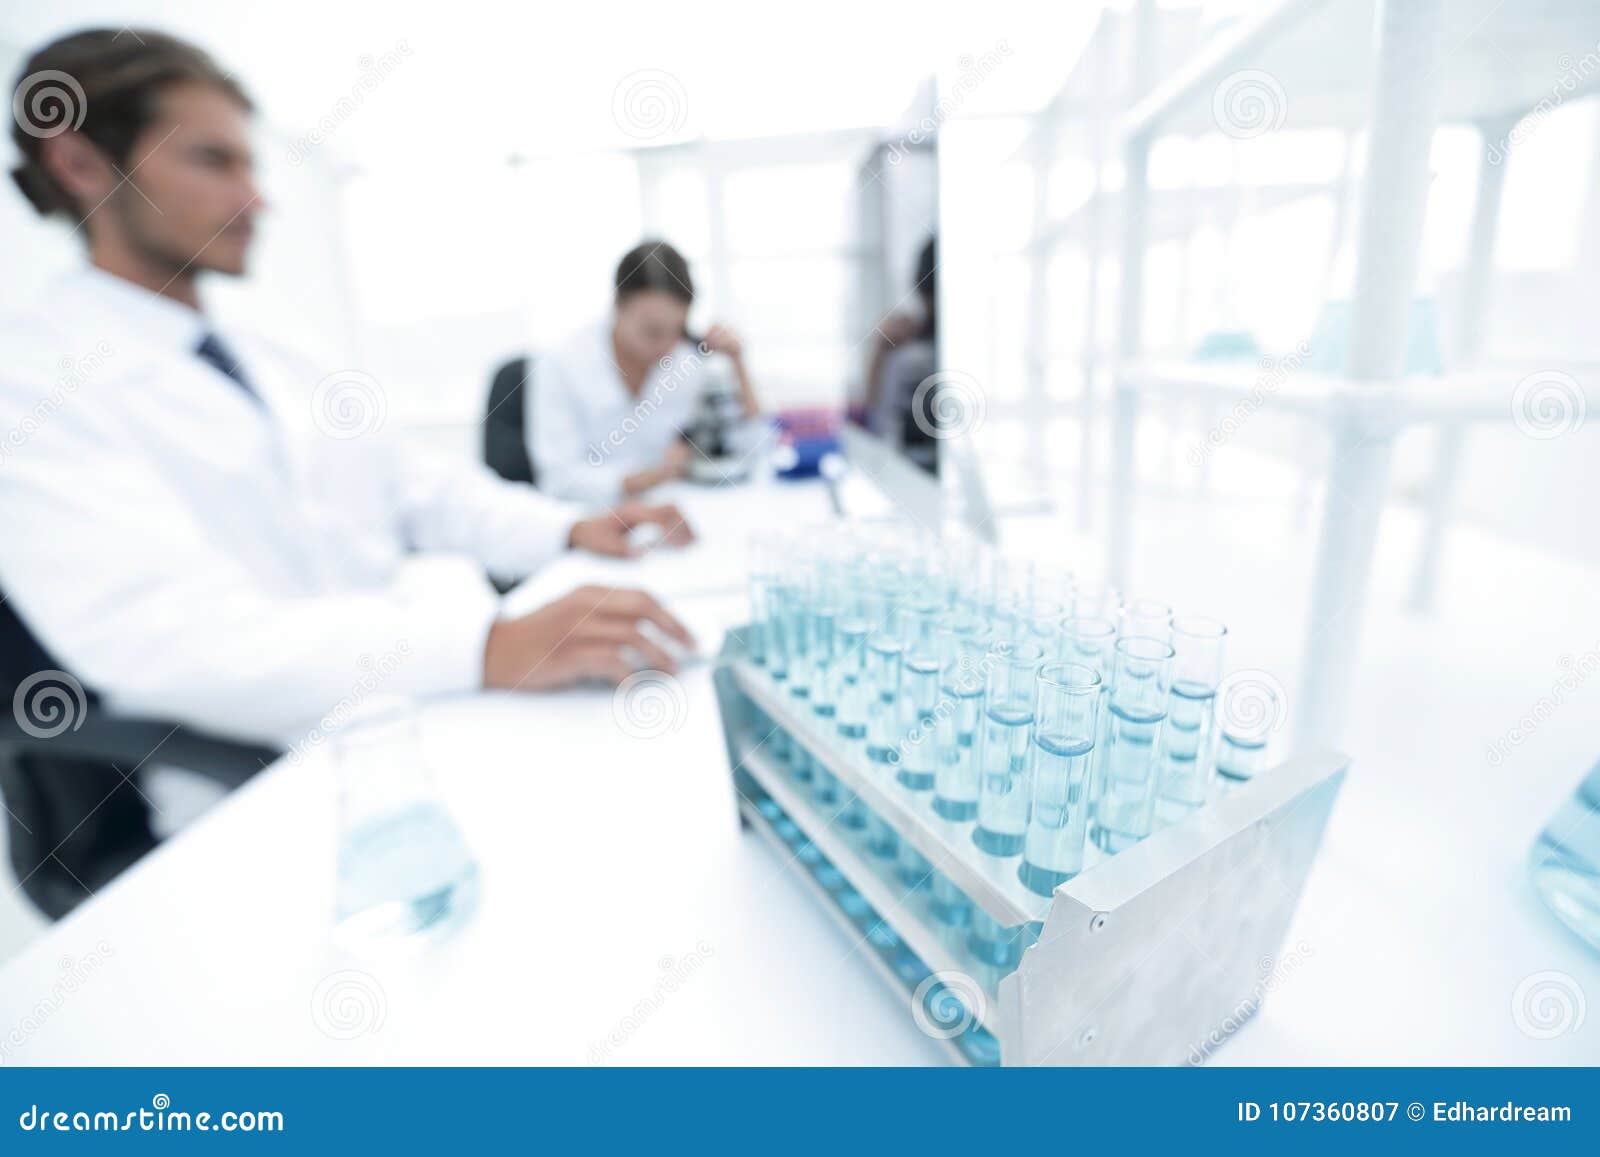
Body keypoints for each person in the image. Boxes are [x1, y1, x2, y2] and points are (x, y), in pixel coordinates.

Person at [0, 31, 699, 801]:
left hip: (407, 711)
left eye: (250, 166)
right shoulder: (31, 384)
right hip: (255, 786)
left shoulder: (270, 347)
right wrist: (484, 645)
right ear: (81, 165)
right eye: (213, 161)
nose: (255, 199)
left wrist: (569, 529)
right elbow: (170, 637)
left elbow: (421, 490)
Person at [530, 241, 758, 503]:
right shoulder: (561, 363)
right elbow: (558, 481)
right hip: (593, 515)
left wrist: (738, 364)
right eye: (652, 332)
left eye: (677, 330)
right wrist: (653, 477)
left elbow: (753, 447)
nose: (666, 345)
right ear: (618, 306)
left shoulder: (686, 358)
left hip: (675, 508)